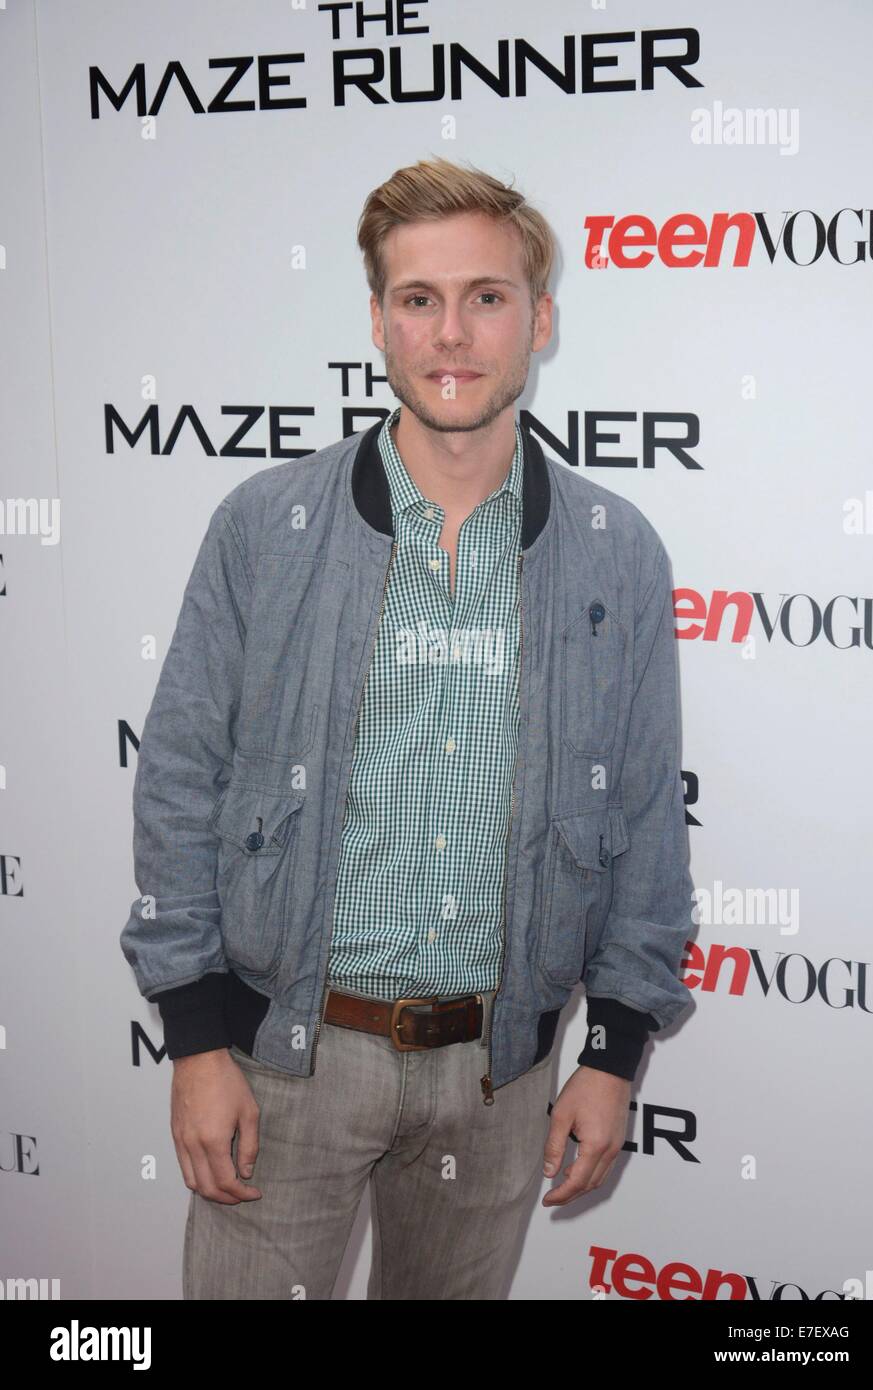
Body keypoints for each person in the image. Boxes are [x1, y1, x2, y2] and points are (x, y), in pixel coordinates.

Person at [121, 156, 696, 1300]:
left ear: (539, 320)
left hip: (499, 1076)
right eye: (418, 300)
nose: (452, 334)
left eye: (486, 297)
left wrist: (612, 1055)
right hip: (283, 1058)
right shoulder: (264, 529)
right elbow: (180, 776)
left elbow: (640, 813)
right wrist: (193, 1039)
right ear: (378, 323)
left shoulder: (611, 549)